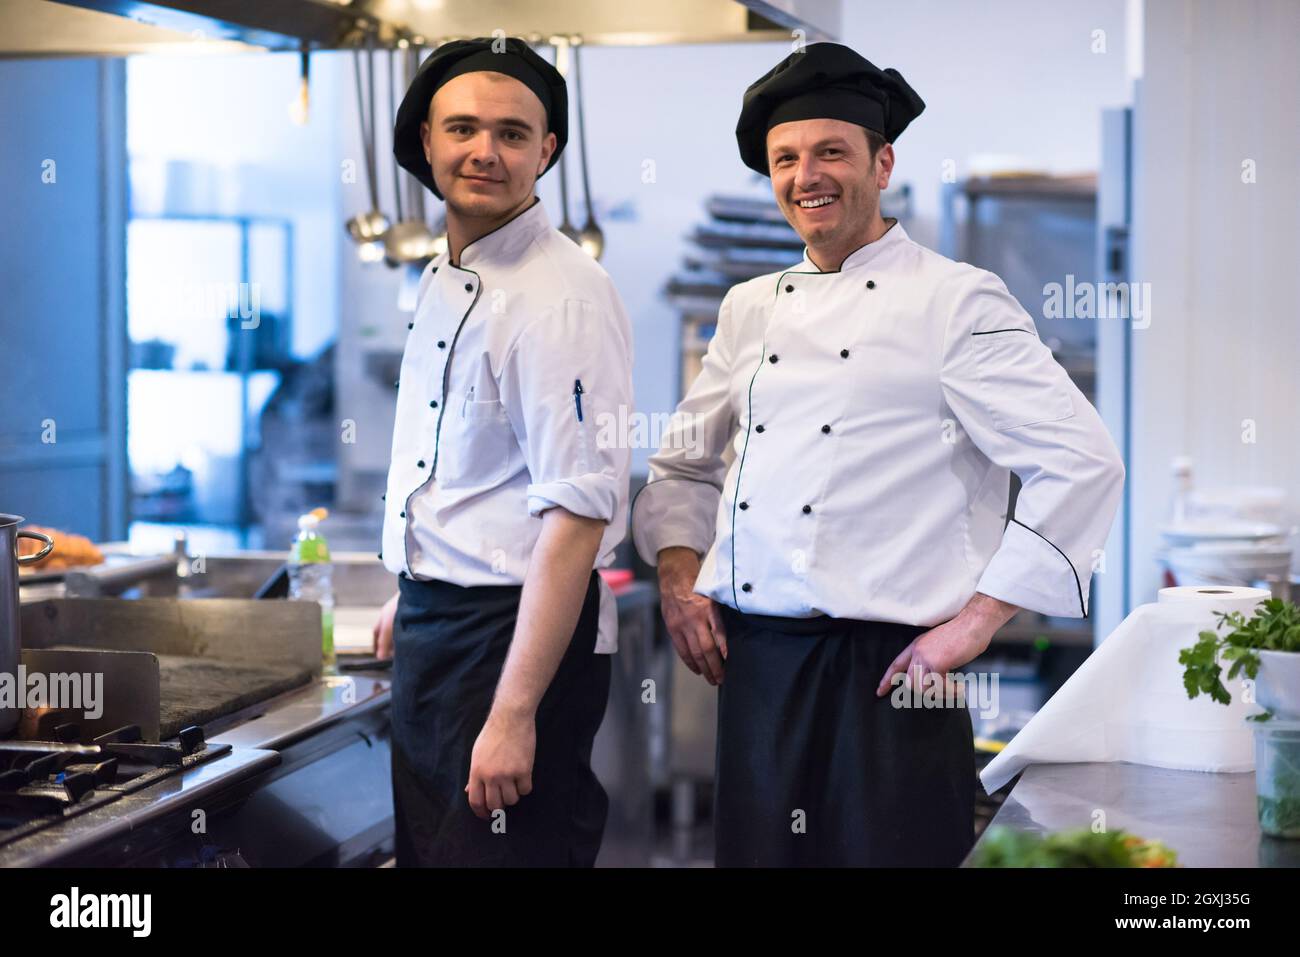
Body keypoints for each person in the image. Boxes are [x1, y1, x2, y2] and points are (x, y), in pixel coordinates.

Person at [631, 42, 1125, 867]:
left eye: (831, 151)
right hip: (759, 668)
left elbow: (1082, 459)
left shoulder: (956, 300)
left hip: (896, 672)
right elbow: (680, 464)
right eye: (786, 159)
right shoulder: (750, 308)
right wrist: (679, 579)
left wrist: (974, 623)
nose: (806, 176)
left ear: (882, 160)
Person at [372, 37, 633, 867]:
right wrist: (414, 574)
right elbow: (453, 461)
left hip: (511, 641)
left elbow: (576, 518)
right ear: (426, 141)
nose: (485, 151)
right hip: (438, 629)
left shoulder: (561, 298)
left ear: (546, 152)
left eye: (513, 134)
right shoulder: (442, 273)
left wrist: (515, 709)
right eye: (463, 129)